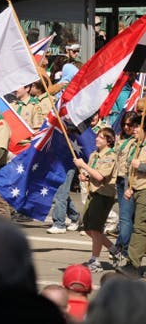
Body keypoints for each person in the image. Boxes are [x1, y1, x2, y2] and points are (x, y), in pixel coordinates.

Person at [73, 127, 119, 272]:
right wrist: (84, 176)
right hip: (92, 193)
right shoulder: (94, 154)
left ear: (108, 141)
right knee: (88, 229)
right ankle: (114, 249)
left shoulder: (110, 156)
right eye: (97, 136)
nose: (96, 139)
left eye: (100, 137)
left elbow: (100, 176)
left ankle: (95, 261)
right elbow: (92, 174)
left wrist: (83, 165)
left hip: (104, 195)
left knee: (96, 229)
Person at [119, 121, 146, 279]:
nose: (133, 130)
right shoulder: (134, 146)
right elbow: (128, 170)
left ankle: (133, 264)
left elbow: (138, 167)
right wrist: (128, 188)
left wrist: (141, 166)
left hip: (145, 190)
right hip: (135, 189)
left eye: (137, 127)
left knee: (140, 228)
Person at [113, 111, 138, 261]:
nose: (126, 127)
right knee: (126, 217)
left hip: (130, 180)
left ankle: (123, 249)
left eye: (130, 125)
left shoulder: (137, 140)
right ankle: (121, 245)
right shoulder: (119, 138)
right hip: (119, 179)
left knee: (125, 217)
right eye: (124, 124)